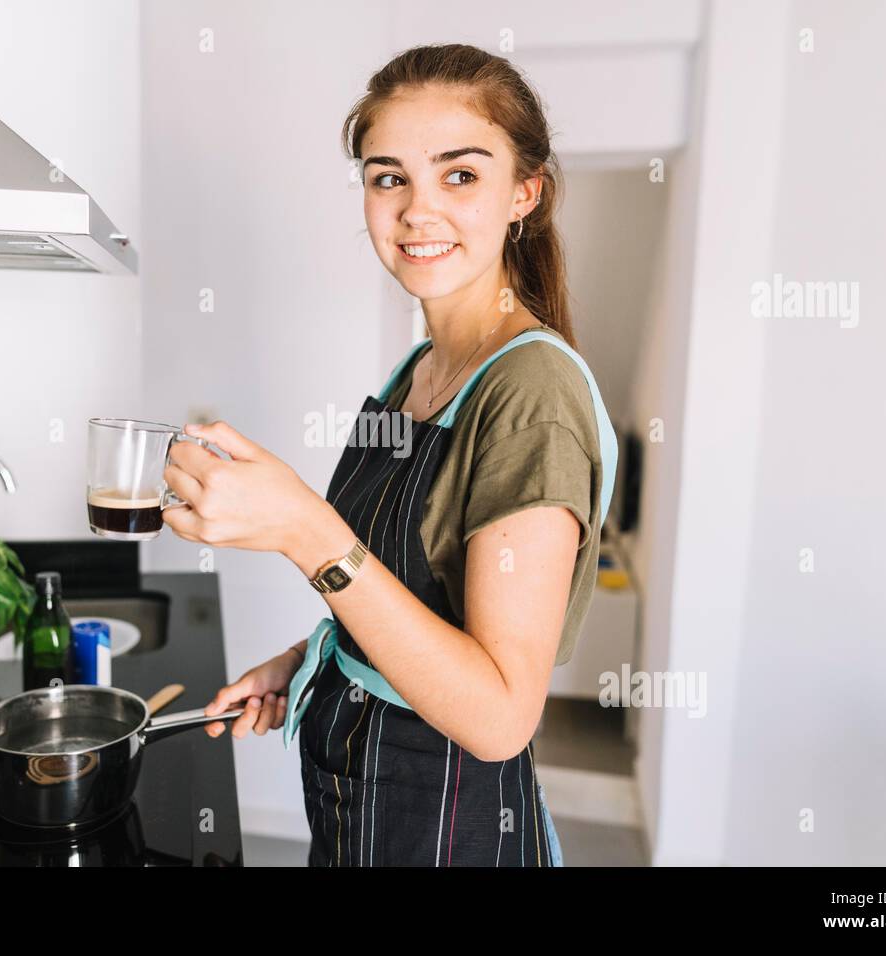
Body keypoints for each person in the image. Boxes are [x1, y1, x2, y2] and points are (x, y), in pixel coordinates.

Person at [163, 43, 617, 866]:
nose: (416, 211)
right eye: (388, 178)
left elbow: (499, 718)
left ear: (525, 192)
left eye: (460, 175)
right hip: (357, 805)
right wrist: (314, 659)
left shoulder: (533, 392)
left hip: (447, 829)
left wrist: (305, 530)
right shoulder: (421, 368)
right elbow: (414, 594)